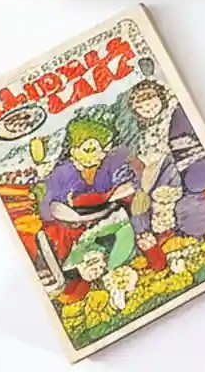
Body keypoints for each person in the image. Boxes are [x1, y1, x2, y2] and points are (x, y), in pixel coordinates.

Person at [38, 118, 136, 303]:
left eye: (100, 149)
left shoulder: (108, 165)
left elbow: (127, 184)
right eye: (89, 149)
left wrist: (109, 198)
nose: (97, 155)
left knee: (123, 235)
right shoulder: (63, 172)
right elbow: (53, 206)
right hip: (70, 223)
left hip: (107, 216)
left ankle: (112, 276)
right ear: (74, 150)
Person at [126, 80, 205, 270]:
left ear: (160, 98)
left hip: (191, 165)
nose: (147, 108)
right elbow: (149, 159)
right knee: (143, 196)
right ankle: (146, 236)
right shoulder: (145, 134)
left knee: (181, 186)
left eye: (150, 101)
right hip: (166, 176)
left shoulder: (176, 113)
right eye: (141, 107)